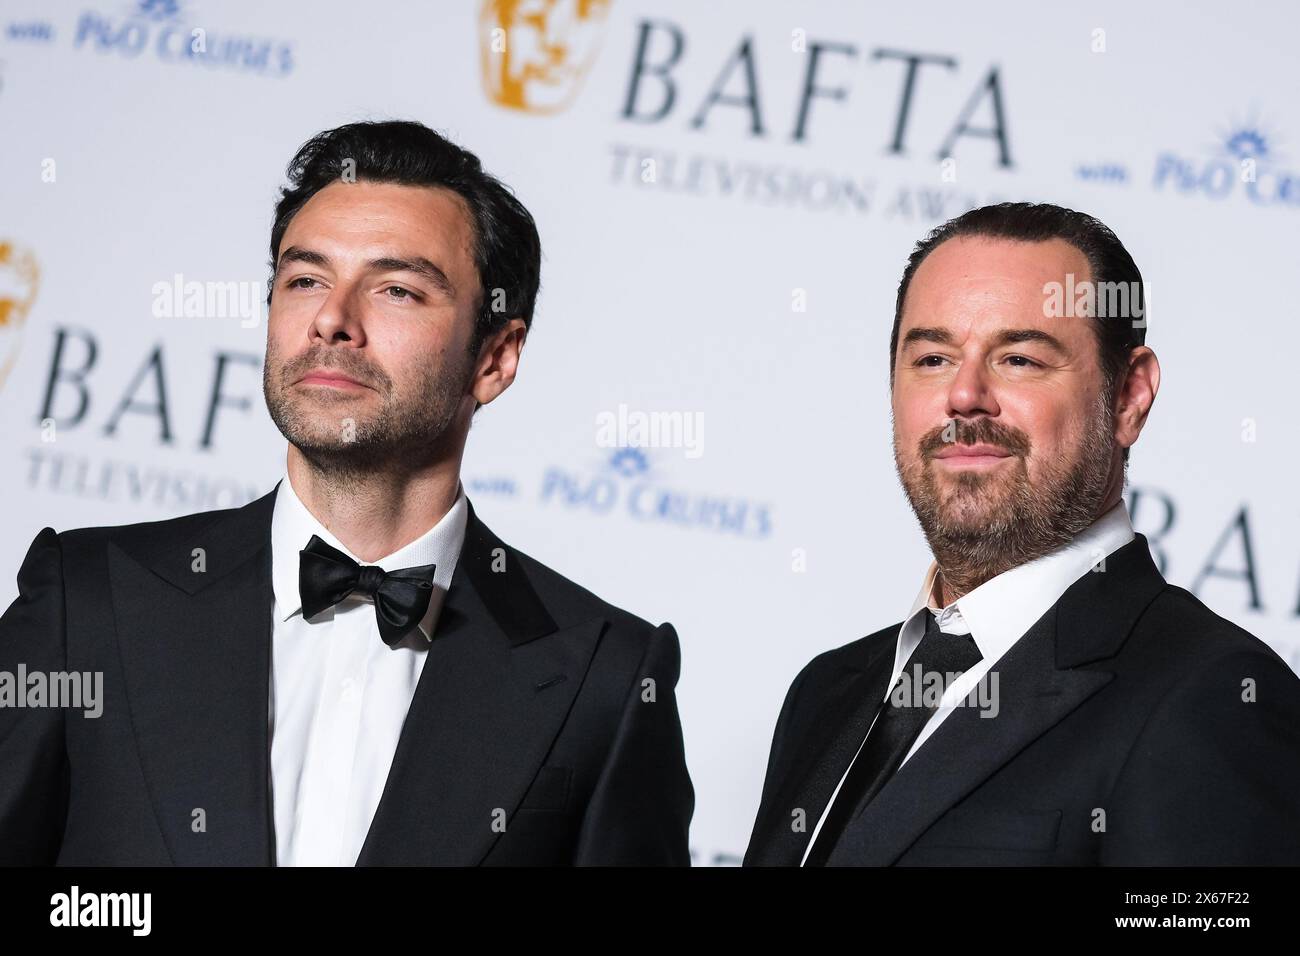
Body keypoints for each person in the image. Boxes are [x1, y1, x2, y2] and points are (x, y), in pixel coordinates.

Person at [0, 120, 693, 866]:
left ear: (494, 358)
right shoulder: (88, 603)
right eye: (305, 280)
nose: (332, 319)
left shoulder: (606, 679)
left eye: (396, 290)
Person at [745, 202, 1300, 866]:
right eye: (932, 358)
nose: (964, 395)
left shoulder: (1213, 701)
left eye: (1019, 359)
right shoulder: (827, 691)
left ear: (1129, 397)